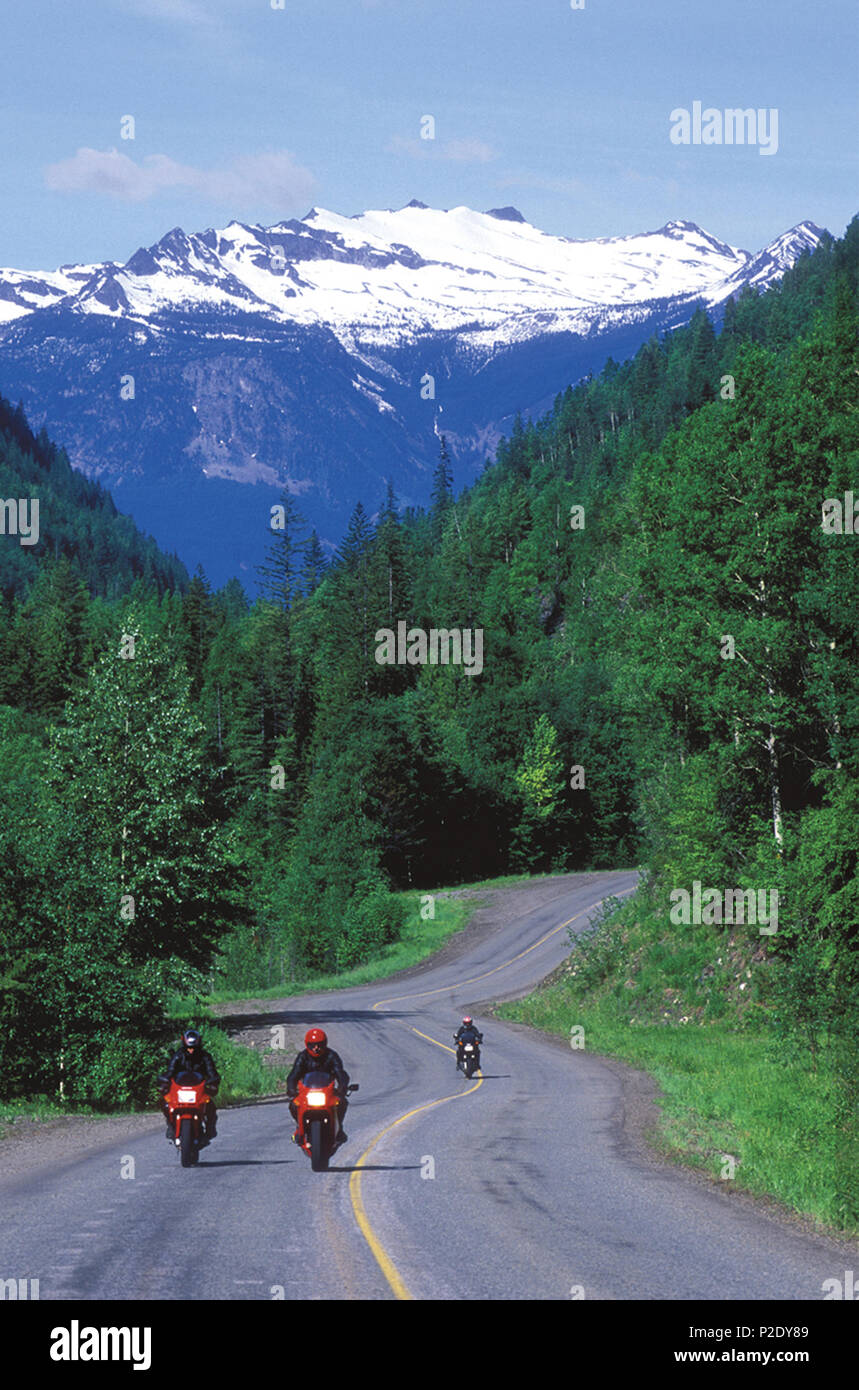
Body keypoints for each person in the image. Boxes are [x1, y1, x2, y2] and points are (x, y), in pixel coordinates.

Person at [286, 1028, 350, 1145]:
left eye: (319, 1045)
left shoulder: (331, 1056)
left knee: (342, 1103)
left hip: (328, 1092)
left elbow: (340, 1073)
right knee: (293, 1105)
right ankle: (299, 1129)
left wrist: (342, 1087)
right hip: (307, 1092)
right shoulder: (303, 1057)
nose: (316, 1048)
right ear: (307, 1045)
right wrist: (291, 1089)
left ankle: (339, 1129)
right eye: (312, 1045)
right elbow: (293, 1075)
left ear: (324, 1044)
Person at [158, 1028, 220, 1144]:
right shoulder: (178, 1056)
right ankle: (171, 1126)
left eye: (193, 1048)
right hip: (179, 1089)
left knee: (210, 1106)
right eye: (189, 1048)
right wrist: (164, 1080)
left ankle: (210, 1129)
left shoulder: (205, 1056)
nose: (191, 1051)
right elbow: (170, 1071)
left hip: (199, 1088)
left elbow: (212, 1072)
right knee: (165, 1104)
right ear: (184, 1042)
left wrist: (213, 1081)